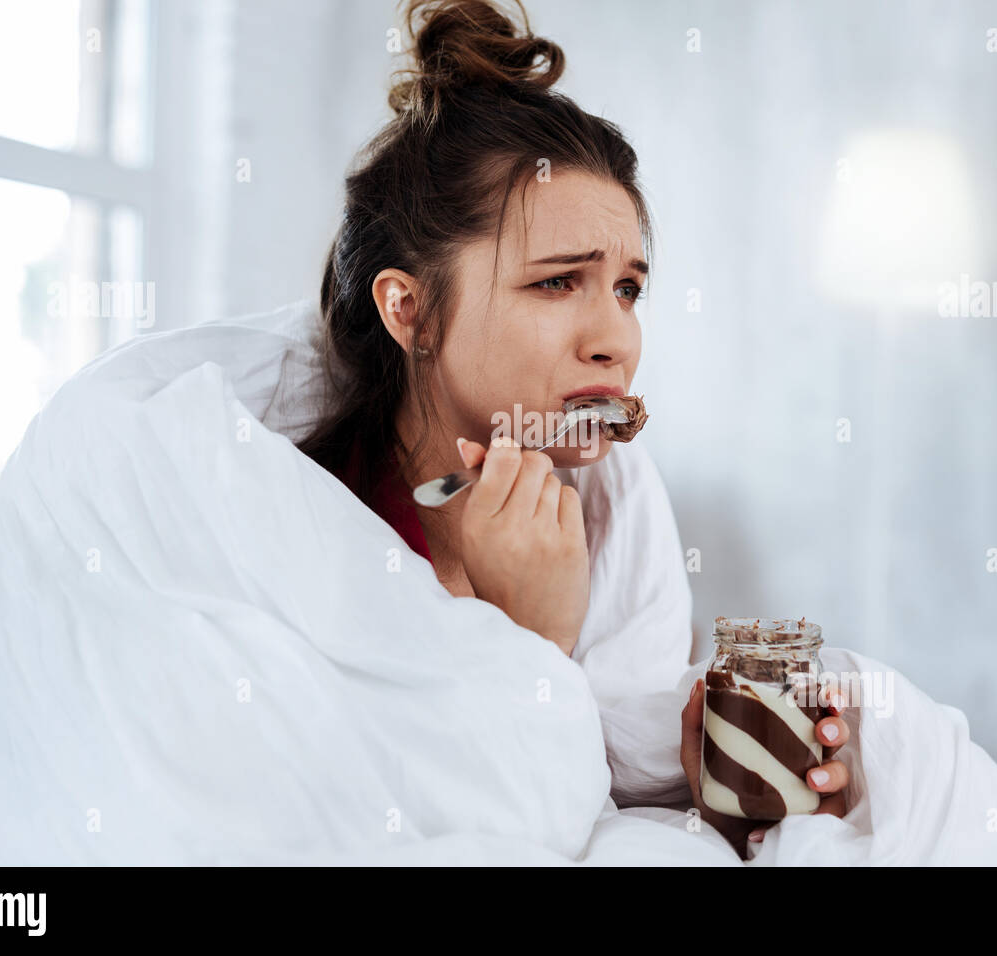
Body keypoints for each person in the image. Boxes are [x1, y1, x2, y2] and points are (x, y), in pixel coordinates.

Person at [294, 0, 851, 858]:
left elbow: (617, 810)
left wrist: (726, 790)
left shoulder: (616, 502)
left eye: (628, 288)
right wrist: (532, 640)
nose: (616, 339)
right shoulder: (300, 530)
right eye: (558, 284)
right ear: (410, 311)